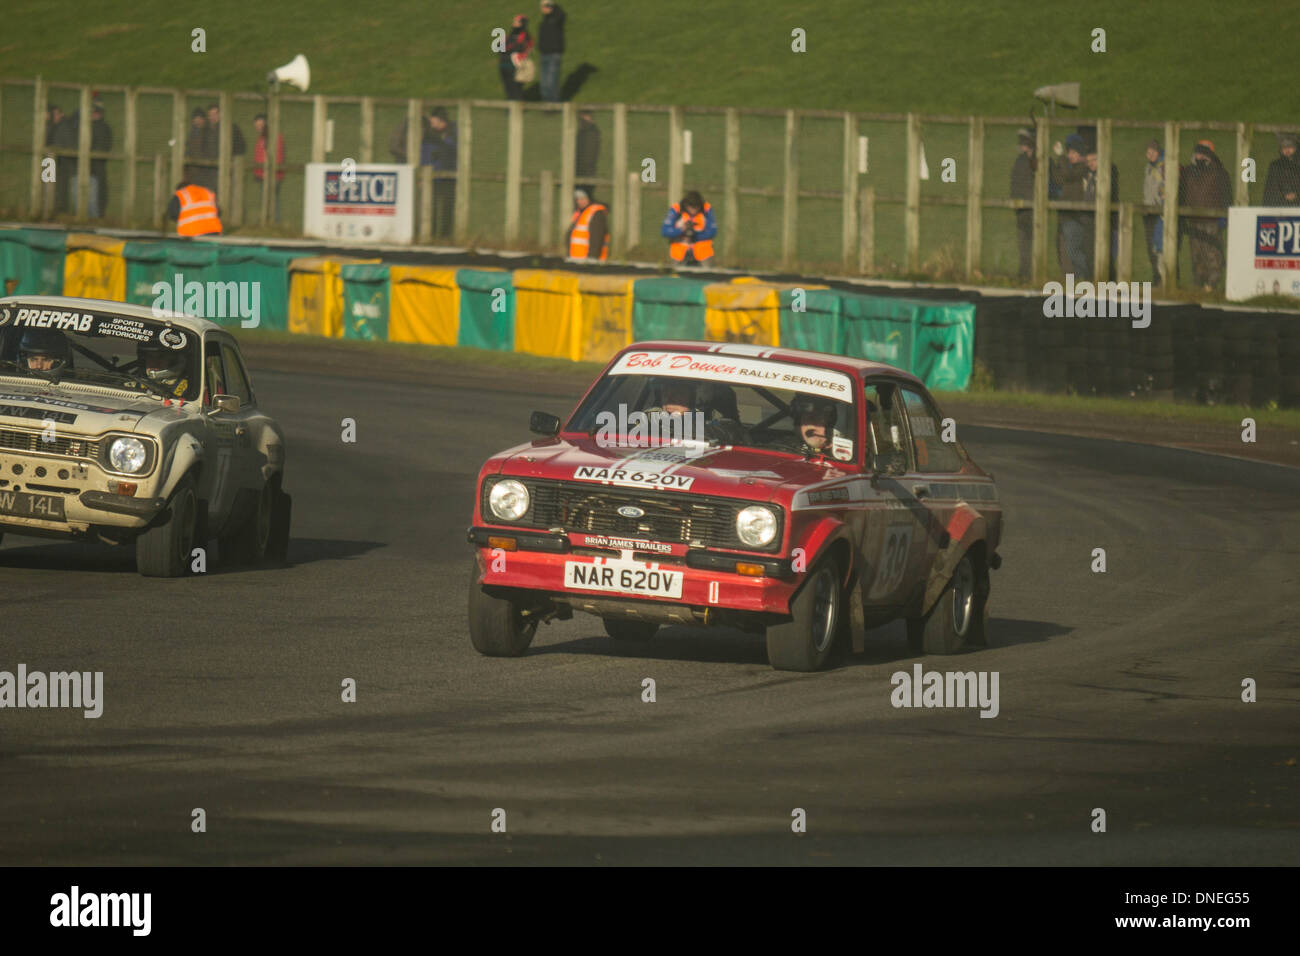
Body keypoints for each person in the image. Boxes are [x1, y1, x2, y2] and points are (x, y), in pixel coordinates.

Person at [1179, 140, 1232, 291]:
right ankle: (1198, 284)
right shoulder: (1188, 171)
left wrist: (1224, 217)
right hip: (1193, 220)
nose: (1200, 155)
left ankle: (1212, 284)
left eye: (1203, 153)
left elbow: (1227, 195)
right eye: (1198, 152)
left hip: (1212, 220)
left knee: (1213, 254)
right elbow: (1182, 195)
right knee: (1196, 256)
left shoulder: (1219, 172)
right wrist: (1182, 216)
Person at [1050, 133, 1089, 277]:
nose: (1070, 155)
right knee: (1063, 250)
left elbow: (1068, 176)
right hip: (1064, 214)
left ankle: (1085, 276)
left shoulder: (1081, 168)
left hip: (1074, 216)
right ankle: (1070, 279)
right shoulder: (1070, 167)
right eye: (1069, 152)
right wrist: (1053, 163)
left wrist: (1062, 157)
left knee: (1073, 250)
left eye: (1073, 152)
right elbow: (1059, 179)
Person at [1083, 143, 1119, 280]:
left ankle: (1109, 282)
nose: (1091, 163)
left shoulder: (1109, 173)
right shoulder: (1089, 176)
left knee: (1106, 254)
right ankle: (1091, 281)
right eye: (1088, 161)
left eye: (1094, 160)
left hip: (1105, 220)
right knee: (1089, 252)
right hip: (1090, 219)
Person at [422, 107, 458, 238]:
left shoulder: (453, 132)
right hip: (432, 177)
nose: (431, 122)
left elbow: (455, 149)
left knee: (447, 207)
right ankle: (430, 234)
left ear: (440, 120)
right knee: (430, 207)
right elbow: (424, 154)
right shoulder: (429, 135)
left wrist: (442, 143)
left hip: (449, 176)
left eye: (433, 120)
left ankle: (445, 236)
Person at [662, 190, 717, 265]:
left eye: (696, 207)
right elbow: (665, 231)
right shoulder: (676, 209)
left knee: (707, 270)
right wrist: (681, 230)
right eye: (691, 207)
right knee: (675, 271)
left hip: (702, 250)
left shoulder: (706, 209)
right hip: (679, 249)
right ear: (686, 205)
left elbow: (712, 231)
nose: (693, 210)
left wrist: (695, 235)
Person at [1010, 128, 1035, 281]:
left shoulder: (1037, 159)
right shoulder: (1020, 161)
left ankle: (1032, 273)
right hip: (1022, 208)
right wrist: (1014, 200)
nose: (1021, 146)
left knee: (1033, 241)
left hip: (1033, 208)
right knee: (1023, 242)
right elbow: (1014, 182)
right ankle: (1024, 273)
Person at [252, 113, 286, 223]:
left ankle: (274, 222)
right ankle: (268, 221)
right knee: (268, 200)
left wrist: (269, 171)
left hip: (271, 175)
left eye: (260, 126)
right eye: (257, 126)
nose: (258, 128)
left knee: (272, 200)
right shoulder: (262, 138)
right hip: (263, 174)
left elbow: (276, 156)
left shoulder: (273, 137)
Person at [1142, 139, 1166, 282]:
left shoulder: (1162, 167)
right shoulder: (1148, 168)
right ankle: (1156, 276)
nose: (1150, 155)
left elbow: (1164, 187)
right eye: (1148, 152)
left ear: (1158, 152)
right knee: (1150, 246)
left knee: (1160, 246)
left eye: (1153, 152)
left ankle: (1164, 278)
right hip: (1148, 210)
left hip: (1159, 211)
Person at [45, 103, 77, 213]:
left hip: (62, 163)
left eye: (59, 113)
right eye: (56, 114)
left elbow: (68, 145)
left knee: (61, 189)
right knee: (47, 187)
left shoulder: (64, 126)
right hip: (49, 162)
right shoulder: (48, 126)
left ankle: (61, 212)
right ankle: (47, 210)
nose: (60, 115)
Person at [566, 188, 608, 260]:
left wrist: (591, 260)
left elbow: (596, 239)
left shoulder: (596, 213)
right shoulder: (580, 213)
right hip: (577, 260)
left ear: (589, 198)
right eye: (577, 199)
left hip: (588, 262)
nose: (579, 201)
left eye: (582, 198)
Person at [499, 15, 533, 101]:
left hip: (515, 65)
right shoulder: (510, 35)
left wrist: (509, 48)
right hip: (504, 64)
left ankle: (516, 109)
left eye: (517, 21)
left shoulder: (525, 36)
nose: (514, 23)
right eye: (514, 21)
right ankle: (511, 108)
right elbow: (500, 48)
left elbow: (524, 48)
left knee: (516, 89)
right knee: (508, 89)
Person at [537, 1, 566, 103]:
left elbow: (562, 14)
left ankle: (554, 105)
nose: (544, 8)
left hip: (554, 54)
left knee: (551, 82)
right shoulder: (545, 21)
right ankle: (547, 105)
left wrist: (551, 3)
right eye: (543, 6)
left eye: (547, 6)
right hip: (544, 54)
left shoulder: (557, 18)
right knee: (544, 84)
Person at [1262, 133, 1300, 207]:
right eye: (1284, 147)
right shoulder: (1275, 166)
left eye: (1290, 146)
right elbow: (1270, 189)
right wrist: (1284, 194)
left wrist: (1297, 195)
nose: (1287, 149)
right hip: (1279, 206)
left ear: (1296, 148)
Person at [183, 108, 211, 189]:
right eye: (195, 119)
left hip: (204, 170)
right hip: (192, 169)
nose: (197, 121)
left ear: (204, 120)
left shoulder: (208, 133)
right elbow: (187, 148)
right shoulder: (191, 133)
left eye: (199, 119)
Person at [575, 110, 600, 195]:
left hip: (584, 173)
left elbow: (588, 157)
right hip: (585, 172)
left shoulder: (588, 131)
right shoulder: (590, 130)